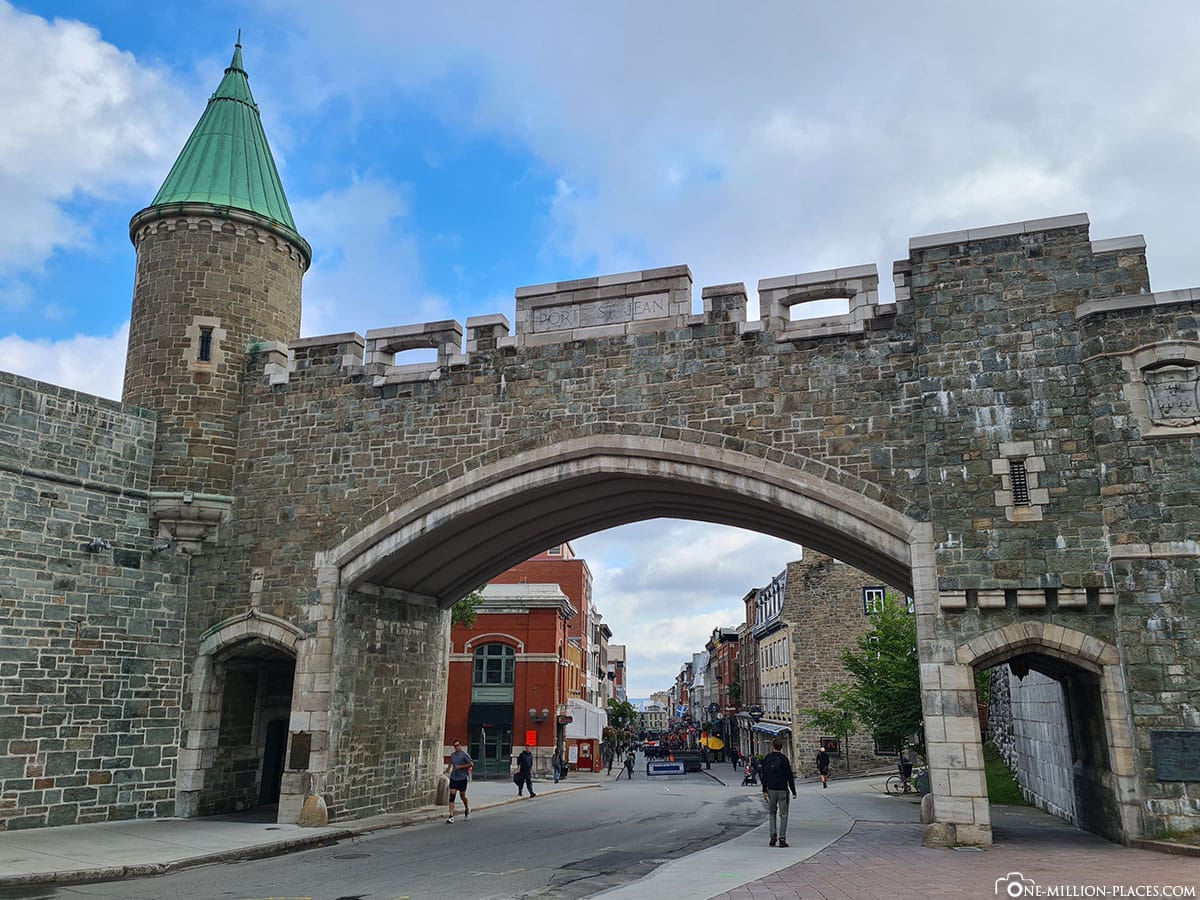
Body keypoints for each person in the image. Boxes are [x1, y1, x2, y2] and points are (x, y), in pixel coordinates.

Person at [760, 738, 797, 848]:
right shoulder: (784, 759)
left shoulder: (768, 758)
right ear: (782, 747)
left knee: (771, 813)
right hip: (782, 790)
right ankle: (782, 838)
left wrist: (764, 789)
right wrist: (793, 790)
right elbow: (789, 776)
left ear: (773, 746)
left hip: (771, 789)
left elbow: (764, 774)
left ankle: (772, 835)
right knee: (783, 815)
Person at [446, 739, 472, 823]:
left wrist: (461, 767)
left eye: (457, 745)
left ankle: (467, 808)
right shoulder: (452, 755)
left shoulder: (464, 755)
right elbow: (451, 762)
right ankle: (451, 816)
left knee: (462, 796)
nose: (456, 747)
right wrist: (449, 768)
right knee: (452, 795)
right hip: (454, 777)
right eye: (455, 746)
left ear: (460, 746)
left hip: (462, 778)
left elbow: (471, 764)